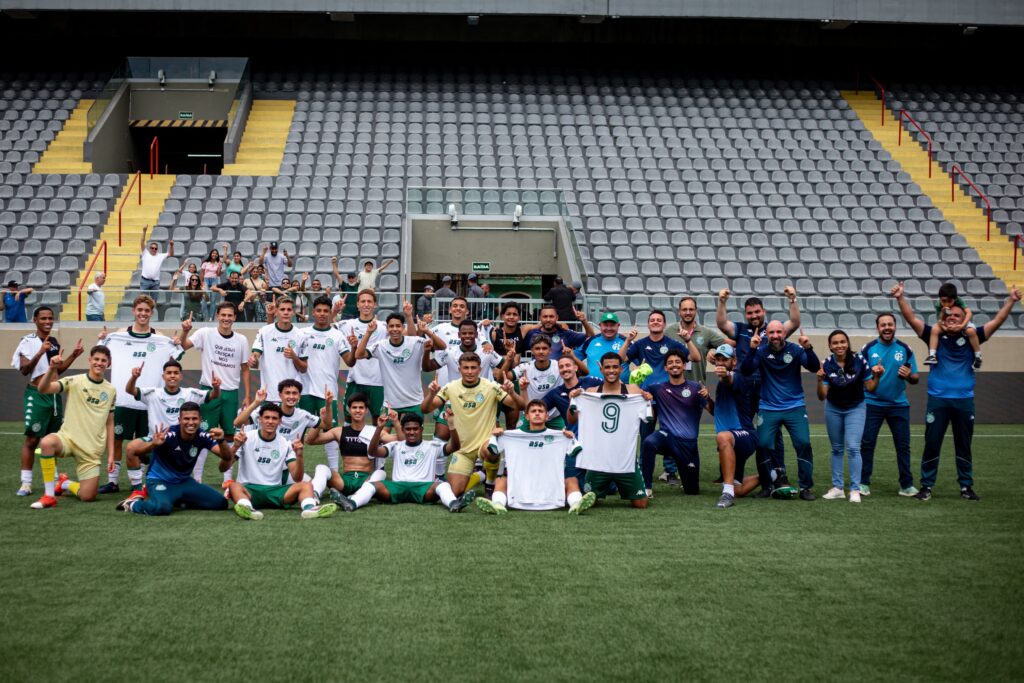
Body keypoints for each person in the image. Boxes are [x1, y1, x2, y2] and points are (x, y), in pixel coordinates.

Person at [893, 281, 1020, 501]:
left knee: (963, 445)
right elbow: (911, 319)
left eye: (957, 315)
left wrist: (1011, 300)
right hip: (938, 400)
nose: (952, 317)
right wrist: (900, 298)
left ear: (964, 318)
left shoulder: (973, 335)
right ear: (943, 316)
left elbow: (997, 321)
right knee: (932, 443)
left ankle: (966, 487)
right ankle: (926, 486)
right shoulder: (934, 334)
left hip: (964, 400)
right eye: (949, 314)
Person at [715, 287, 801, 494]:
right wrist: (722, 302)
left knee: (772, 433)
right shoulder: (741, 329)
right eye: (750, 313)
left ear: (763, 312)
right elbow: (722, 324)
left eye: (757, 312)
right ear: (746, 314)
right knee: (743, 430)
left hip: (766, 388)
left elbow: (794, 322)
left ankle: (778, 474)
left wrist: (792, 300)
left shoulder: (773, 330)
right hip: (743, 389)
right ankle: (736, 473)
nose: (753, 316)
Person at [98, 295, 183, 494]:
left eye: (147, 311)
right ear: (134, 311)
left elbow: (177, 355)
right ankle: (113, 481)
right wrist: (102, 338)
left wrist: (177, 341)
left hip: (149, 401)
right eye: (140, 310)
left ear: (151, 313)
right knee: (117, 440)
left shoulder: (161, 338)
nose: (143, 314)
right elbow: (102, 355)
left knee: (147, 442)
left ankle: (141, 480)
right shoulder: (119, 336)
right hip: (122, 399)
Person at [422, 353, 525, 496]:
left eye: (473, 368)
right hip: (463, 448)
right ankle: (481, 475)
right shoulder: (451, 387)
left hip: (485, 443)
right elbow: (425, 409)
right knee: (455, 492)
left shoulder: (491, 386)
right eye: (466, 368)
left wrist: (512, 393)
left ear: (479, 369)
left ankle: (490, 482)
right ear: (459, 369)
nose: (469, 371)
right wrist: (431, 394)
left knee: (492, 450)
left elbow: (520, 406)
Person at [739, 321, 820, 500]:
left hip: (794, 406)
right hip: (768, 407)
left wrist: (808, 348)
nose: (775, 335)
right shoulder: (761, 351)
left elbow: (814, 367)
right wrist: (751, 349)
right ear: (766, 334)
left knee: (803, 444)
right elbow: (745, 371)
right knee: (762, 445)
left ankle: (805, 487)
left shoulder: (796, 350)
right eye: (771, 332)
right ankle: (767, 486)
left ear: (784, 333)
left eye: (778, 332)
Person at [618, 310, 701, 485]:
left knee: (670, 433)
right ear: (648, 324)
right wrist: (627, 341)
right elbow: (620, 359)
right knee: (646, 436)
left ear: (664, 324)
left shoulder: (672, 344)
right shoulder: (640, 344)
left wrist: (688, 340)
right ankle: (644, 471)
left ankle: (670, 472)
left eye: (659, 320)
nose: (655, 322)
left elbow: (695, 357)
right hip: (646, 397)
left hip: (668, 397)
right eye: (652, 320)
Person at [28, 345, 116, 509]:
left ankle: (65, 483)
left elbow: (110, 423)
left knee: (88, 496)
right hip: (68, 439)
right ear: (89, 360)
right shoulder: (74, 381)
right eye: (96, 359)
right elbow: (43, 389)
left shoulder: (111, 390)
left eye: (103, 360)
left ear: (108, 364)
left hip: (91, 449)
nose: (99, 363)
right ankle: (49, 496)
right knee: (47, 443)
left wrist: (111, 455)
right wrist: (52, 368)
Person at [476, 400, 598, 515]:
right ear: (527, 416)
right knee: (501, 480)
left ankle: (576, 504)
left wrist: (570, 437)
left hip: (552, 496)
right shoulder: (510, 436)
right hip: (520, 495)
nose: (537, 413)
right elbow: (492, 452)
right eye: (533, 411)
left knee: (572, 480)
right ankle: (498, 505)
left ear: (547, 416)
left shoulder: (561, 436)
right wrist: (495, 436)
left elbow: (577, 450)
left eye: (541, 411)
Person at [177, 301, 251, 483]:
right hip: (209, 392)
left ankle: (227, 479)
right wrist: (185, 330)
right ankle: (197, 479)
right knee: (203, 434)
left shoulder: (241, 340)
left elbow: (245, 368)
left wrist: (248, 395)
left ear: (235, 317)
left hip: (231, 393)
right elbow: (183, 345)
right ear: (217, 315)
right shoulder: (205, 333)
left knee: (229, 436)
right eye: (223, 315)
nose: (226, 318)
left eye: (230, 315)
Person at [12, 306, 83, 496]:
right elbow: (25, 370)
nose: (47, 321)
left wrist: (74, 355)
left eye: (50, 318)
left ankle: (53, 480)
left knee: (51, 440)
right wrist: (39, 352)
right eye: (43, 318)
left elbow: (57, 371)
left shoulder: (53, 342)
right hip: (37, 395)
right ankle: (26, 483)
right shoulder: (27, 341)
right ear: (35, 320)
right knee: (32, 439)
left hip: (54, 395)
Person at [565, 353, 651, 508]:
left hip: (625, 458)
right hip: (598, 459)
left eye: (615, 367)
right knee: (589, 501)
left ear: (621, 369)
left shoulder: (633, 391)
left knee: (641, 503)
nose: (611, 370)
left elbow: (648, 417)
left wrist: (647, 399)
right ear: (601, 369)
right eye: (607, 367)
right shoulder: (591, 392)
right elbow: (572, 420)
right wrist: (573, 399)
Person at [224, 403, 336, 520]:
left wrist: (299, 456)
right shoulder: (246, 438)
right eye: (267, 418)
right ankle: (247, 508)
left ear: (280, 421)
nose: (270, 421)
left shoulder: (285, 443)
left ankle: (309, 508)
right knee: (234, 486)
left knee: (306, 485)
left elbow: (297, 478)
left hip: (275, 491)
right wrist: (235, 446)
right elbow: (223, 467)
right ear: (260, 419)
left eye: (274, 418)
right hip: (250, 490)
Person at [345, 411, 475, 512]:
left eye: (415, 429)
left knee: (443, 485)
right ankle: (351, 503)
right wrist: (379, 429)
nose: (412, 432)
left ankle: (454, 504)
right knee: (370, 485)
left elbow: (455, 447)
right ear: (402, 430)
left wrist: (451, 425)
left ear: (421, 429)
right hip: (398, 487)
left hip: (423, 487)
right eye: (408, 429)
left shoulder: (432, 446)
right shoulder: (396, 446)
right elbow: (373, 452)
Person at [117, 404, 232, 515]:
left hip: (184, 482)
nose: (190, 422)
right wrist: (153, 445)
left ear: (200, 420)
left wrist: (221, 441)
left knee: (221, 503)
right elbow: (136, 452)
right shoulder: (169, 435)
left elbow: (227, 457)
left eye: (194, 419)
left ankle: (174, 499)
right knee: (162, 508)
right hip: (159, 481)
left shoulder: (202, 436)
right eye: (186, 419)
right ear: (179, 420)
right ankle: (132, 504)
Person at [816, 330, 881, 504]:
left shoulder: (860, 361)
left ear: (848, 343)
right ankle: (837, 488)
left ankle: (855, 489)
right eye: (835, 343)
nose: (839, 345)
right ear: (830, 346)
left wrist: (877, 376)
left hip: (855, 408)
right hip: (833, 408)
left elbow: (871, 388)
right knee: (837, 448)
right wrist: (819, 380)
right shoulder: (827, 364)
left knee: (853, 447)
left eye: (842, 342)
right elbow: (822, 396)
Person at [306, 392, 401, 510]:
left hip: (366, 481)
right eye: (354, 408)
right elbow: (310, 440)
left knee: (381, 473)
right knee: (321, 468)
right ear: (349, 410)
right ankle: (313, 497)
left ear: (366, 410)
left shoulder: (375, 431)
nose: (358, 411)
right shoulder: (339, 431)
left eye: (361, 408)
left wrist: (396, 422)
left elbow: (400, 440)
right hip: (345, 481)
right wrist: (321, 420)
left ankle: (354, 498)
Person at [860, 313, 921, 496]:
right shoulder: (868, 349)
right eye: (883, 325)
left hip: (898, 405)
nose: (887, 327)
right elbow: (858, 375)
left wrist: (908, 376)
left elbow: (915, 378)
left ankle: (906, 485)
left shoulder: (905, 348)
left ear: (895, 326)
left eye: (890, 324)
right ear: (877, 328)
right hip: (872, 404)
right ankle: (863, 483)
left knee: (903, 446)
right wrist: (872, 373)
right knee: (867, 444)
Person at [639, 349, 713, 497]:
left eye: (678, 362)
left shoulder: (696, 387)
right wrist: (643, 392)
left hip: (688, 444)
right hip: (667, 437)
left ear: (684, 365)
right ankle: (646, 488)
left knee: (692, 491)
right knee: (649, 442)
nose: (674, 365)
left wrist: (708, 398)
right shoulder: (657, 388)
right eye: (670, 363)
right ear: (665, 368)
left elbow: (714, 411)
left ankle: (686, 478)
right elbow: (634, 391)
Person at [295, 296, 348, 472]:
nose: (322, 314)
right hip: (304, 391)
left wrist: (355, 346)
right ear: (313, 312)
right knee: (298, 432)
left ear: (330, 312)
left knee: (331, 432)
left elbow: (350, 361)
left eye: (326, 311)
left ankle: (334, 472)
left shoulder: (337, 335)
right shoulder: (302, 333)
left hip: (328, 392)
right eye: (319, 310)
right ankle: (293, 472)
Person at [709, 345, 764, 509]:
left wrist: (725, 375)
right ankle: (769, 475)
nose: (720, 362)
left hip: (745, 434)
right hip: (732, 441)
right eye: (718, 359)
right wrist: (706, 399)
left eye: (725, 359)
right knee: (738, 489)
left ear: (734, 361)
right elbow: (717, 412)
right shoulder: (721, 384)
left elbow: (730, 379)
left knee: (722, 437)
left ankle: (727, 494)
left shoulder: (740, 376)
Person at [356, 303, 426, 418]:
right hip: (390, 404)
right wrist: (368, 332)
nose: (394, 329)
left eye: (398, 326)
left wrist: (409, 316)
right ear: (387, 329)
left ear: (403, 328)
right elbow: (358, 355)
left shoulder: (413, 343)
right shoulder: (380, 346)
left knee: (413, 430)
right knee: (382, 429)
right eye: (391, 326)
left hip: (415, 401)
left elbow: (417, 339)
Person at [125, 359, 220, 438]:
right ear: (163, 376)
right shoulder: (153, 393)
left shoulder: (191, 393)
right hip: (156, 439)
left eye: (176, 373)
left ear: (181, 376)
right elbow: (130, 390)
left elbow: (213, 395)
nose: (172, 376)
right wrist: (134, 377)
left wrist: (216, 387)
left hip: (181, 441)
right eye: (169, 373)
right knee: (132, 448)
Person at [339, 289, 390, 419]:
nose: (366, 304)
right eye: (363, 301)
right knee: (349, 419)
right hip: (355, 380)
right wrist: (335, 310)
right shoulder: (347, 325)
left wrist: (408, 317)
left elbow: (408, 335)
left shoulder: (384, 327)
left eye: (369, 301)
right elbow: (325, 327)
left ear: (375, 304)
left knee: (379, 420)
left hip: (378, 382)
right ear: (357, 304)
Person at [249, 296, 304, 403]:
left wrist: (294, 357)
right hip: (268, 395)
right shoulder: (264, 331)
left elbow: (303, 369)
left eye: (289, 309)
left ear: (293, 312)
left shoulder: (300, 335)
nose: (286, 312)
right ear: (276, 311)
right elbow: (256, 356)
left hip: (291, 396)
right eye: (282, 309)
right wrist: (253, 360)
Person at [664, 296, 730, 384]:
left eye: (691, 309)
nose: (688, 312)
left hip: (698, 386)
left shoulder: (706, 332)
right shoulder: (669, 332)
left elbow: (729, 346)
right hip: (672, 387)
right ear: (679, 312)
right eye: (684, 309)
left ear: (696, 311)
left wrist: (714, 350)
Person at [429, 296, 491, 386]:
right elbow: (420, 341)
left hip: (470, 383)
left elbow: (487, 347)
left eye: (462, 306)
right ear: (450, 310)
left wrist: (487, 343)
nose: (458, 308)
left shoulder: (476, 330)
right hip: (443, 382)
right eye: (455, 306)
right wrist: (422, 327)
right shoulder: (439, 328)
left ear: (467, 311)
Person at [925, 282, 981, 368]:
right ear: (940, 299)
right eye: (943, 301)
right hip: (946, 322)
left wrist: (962, 326)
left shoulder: (959, 301)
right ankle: (932, 355)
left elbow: (969, 313)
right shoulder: (938, 304)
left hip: (961, 322)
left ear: (955, 299)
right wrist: (945, 328)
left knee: (971, 331)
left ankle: (978, 356)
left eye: (949, 301)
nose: (946, 304)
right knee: (934, 329)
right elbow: (939, 320)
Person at [576, 311, 628, 382]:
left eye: (612, 325)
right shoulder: (591, 340)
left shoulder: (627, 342)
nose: (609, 328)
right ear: (600, 325)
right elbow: (574, 359)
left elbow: (641, 361)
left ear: (618, 325)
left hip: (622, 387)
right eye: (606, 325)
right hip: (593, 386)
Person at [200, 248, 223, 320]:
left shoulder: (218, 263)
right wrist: (201, 282)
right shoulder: (205, 263)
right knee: (205, 299)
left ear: (217, 255)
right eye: (213, 253)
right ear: (211, 254)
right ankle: (203, 316)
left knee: (213, 300)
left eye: (216, 254)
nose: (214, 255)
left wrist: (220, 267)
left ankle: (211, 318)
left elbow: (218, 274)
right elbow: (202, 273)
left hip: (214, 280)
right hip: (206, 280)